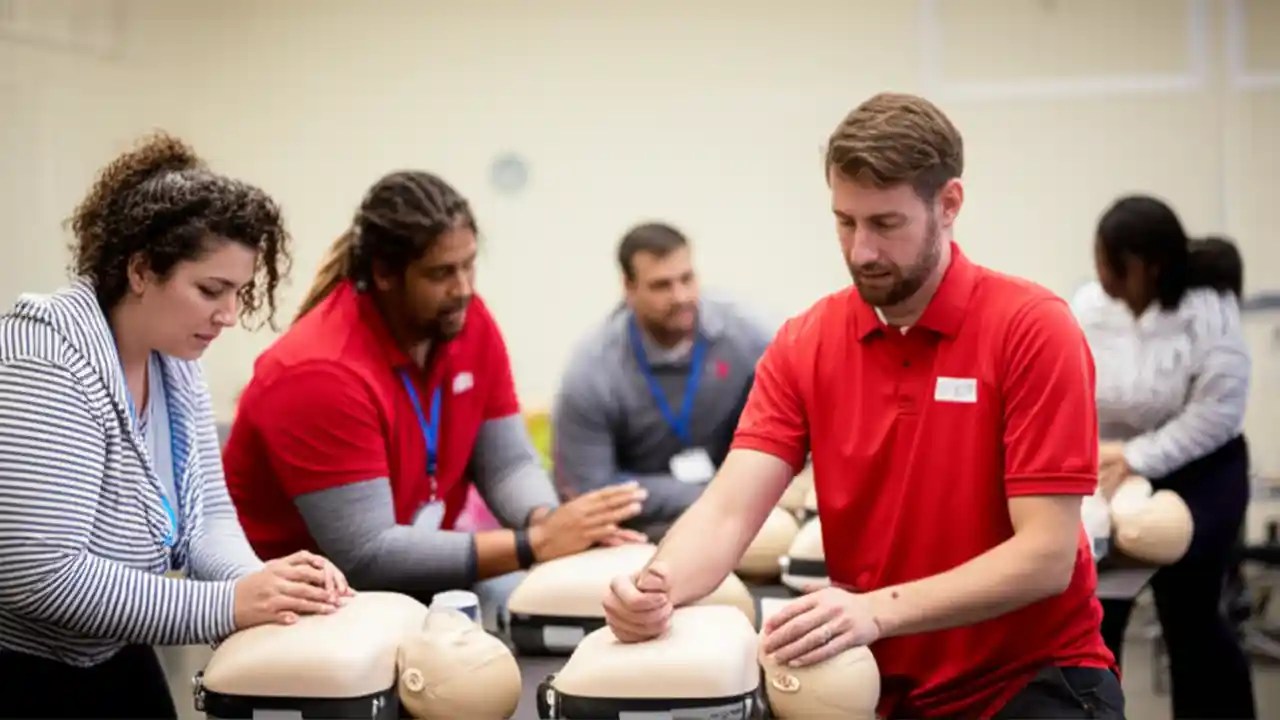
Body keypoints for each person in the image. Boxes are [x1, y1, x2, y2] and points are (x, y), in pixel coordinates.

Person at [602, 92, 1121, 719]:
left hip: (1030, 682)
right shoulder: (806, 342)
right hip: (878, 687)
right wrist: (655, 588)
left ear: (948, 204)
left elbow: (1046, 558)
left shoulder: (1032, 330)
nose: (861, 251)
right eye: (845, 221)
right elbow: (729, 511)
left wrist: (874, 609)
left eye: (885, 224)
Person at [0, 131, 351, 720]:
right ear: (141, 271)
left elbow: (208, 517)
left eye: (238, 292)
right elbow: (42, 576)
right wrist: (229, 605)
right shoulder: (46, 357)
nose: (229, 315)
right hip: (25, 672)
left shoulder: (174, 362)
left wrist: (268, 593)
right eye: (210, 290)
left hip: (113, 653)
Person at [222, 170, 648, 628]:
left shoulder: (466, 322)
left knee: (544, 609)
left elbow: (506, 464)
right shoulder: (319, 369)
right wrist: (535, 543)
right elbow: (368, 552)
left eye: (469, 265)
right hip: (297, 606)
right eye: (441, 273)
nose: (463, 287)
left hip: (402, 582)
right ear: (384, 273)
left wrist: (550, 521)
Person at [1072, 196, 1256, 719]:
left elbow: (1216, 415)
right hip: (1106, 466)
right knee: (1096, 615)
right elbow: (1067, 385)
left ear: (1146, 266)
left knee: (1191, 617)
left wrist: (1135, 456)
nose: (1099, 271)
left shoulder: (1207, 309)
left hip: (1200, 469)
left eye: (1109, 260)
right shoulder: (1087, 307)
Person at [552, 222, 770, 541]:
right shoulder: (591, 371)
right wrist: (704, 494)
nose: (680, 296)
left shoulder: (746, 335)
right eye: (661, 285)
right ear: (628, 287)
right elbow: (592, 492)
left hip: (738, 510)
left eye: (687, 278)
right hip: (638, 531)